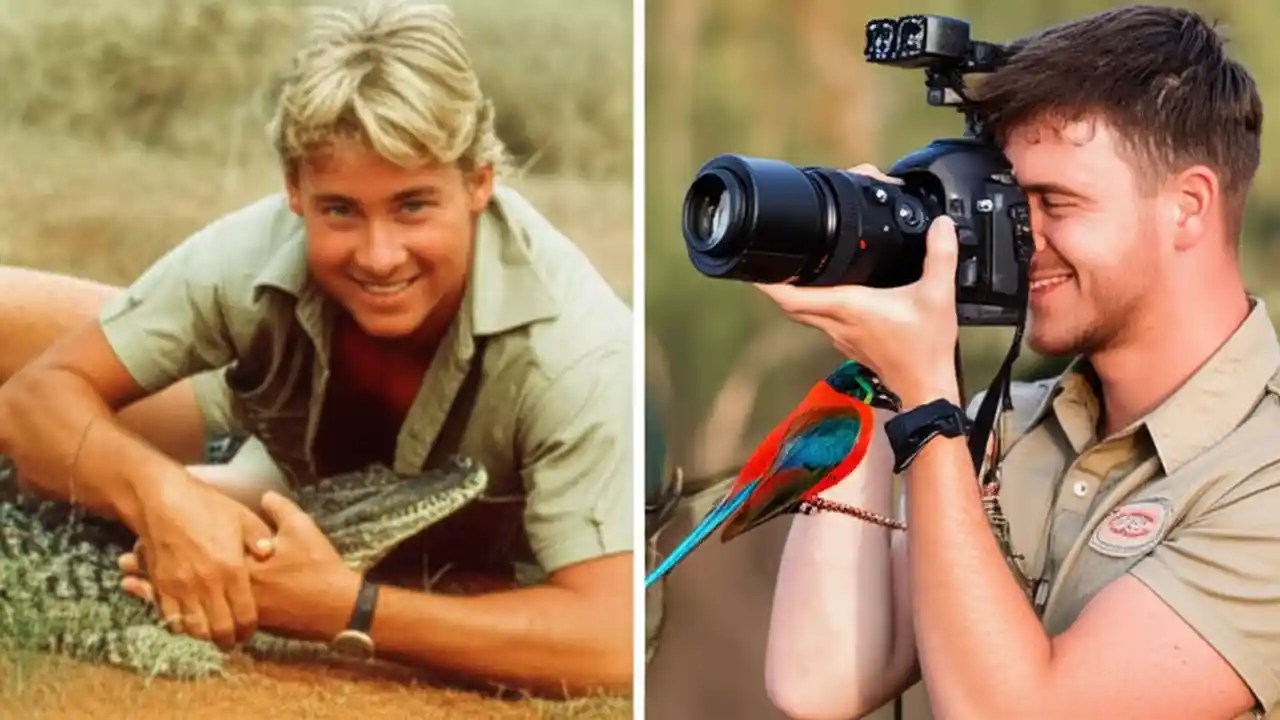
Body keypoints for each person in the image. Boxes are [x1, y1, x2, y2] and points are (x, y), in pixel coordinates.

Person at [0, 0, 632, 695]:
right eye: (341, 210)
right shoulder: (251, 253)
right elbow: (34, 402)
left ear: (480, 181)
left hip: (425, 532)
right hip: (269, 446)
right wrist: (165, 501)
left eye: (413, 205)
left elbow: (613, 642)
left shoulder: (578, 351)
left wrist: (348, 609)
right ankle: (221, 493)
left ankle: (229, 497)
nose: (379, 255)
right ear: (295, 191)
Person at [759, 6, 1280, 719]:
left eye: (1055, 202)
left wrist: (929, 410)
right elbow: (819, 680)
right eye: (1007, 202)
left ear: (1188, 206)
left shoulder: (1263, 471)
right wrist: (880, 369)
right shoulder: (1002, 429)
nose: (1019, 239)